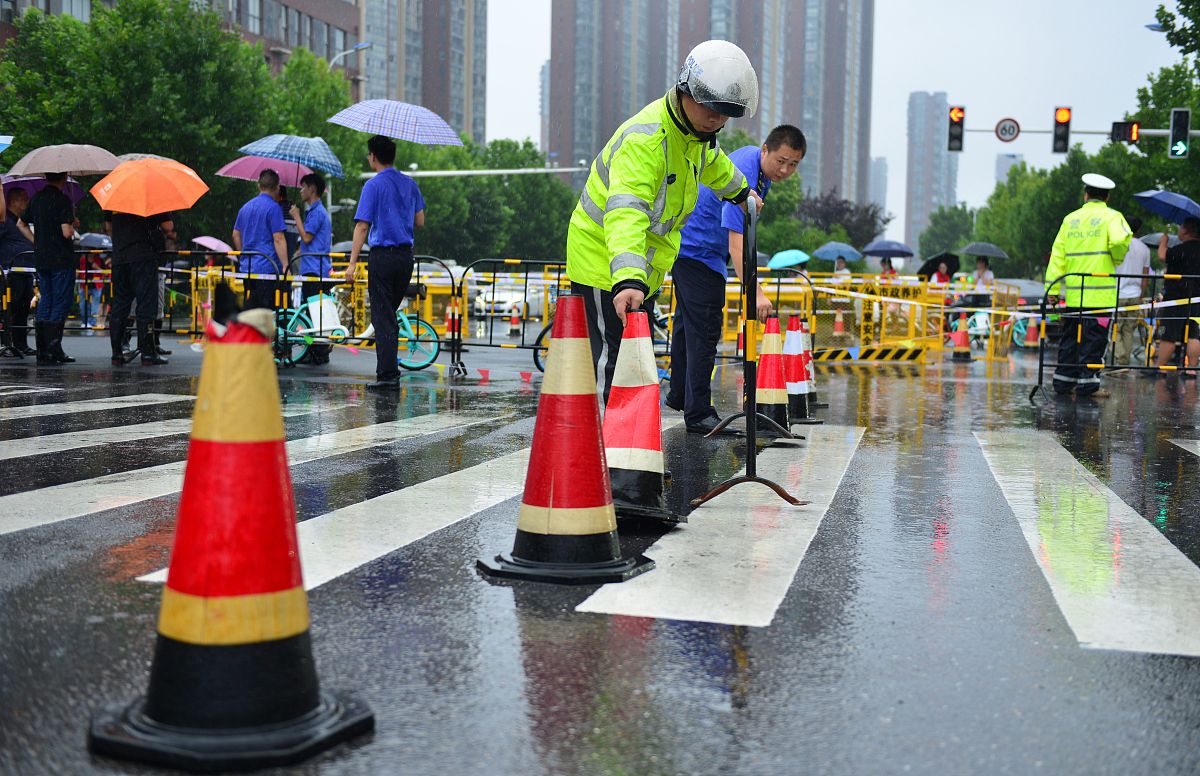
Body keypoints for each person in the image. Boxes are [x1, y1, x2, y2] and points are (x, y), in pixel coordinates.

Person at [566, 39, 759, 401]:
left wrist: (742, 193)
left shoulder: (696, 137)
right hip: (603, 262)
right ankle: (598, 451)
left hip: (640, 272)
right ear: (687, 90)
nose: (718, 119)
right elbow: (626, 212)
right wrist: (626, 278)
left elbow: (715, 165)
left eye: (726, 113)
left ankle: (622, 444)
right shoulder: (648, 141)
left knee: (629, 360)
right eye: (712, 109)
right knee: (608, 363)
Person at [666, 124, 806, 434]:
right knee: (704, 331)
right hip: (697, 252)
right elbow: (738, 242)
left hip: (696, 252)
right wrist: (754, 292)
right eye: (781, 160)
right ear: (765, 150)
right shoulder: (745, 173)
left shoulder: (759, 174)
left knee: (687, 328)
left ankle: (679, 395)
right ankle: (699, 413)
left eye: (793, 164)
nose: (785, 170)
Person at [344, 135, 426, 391]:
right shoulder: (410, 184)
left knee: (383, 317)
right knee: (388, 315)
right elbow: (420, 221)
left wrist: (352, 263)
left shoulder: (373, 185)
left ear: (373, 157)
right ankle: (388, 371)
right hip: (405, 257)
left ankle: (388, 376)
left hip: (382, 257)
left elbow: (362, 225)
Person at [1045, 173, 1132, 397]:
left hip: (1074, 297)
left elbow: (1057, 257)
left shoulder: (1070, 219)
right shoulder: (1113, 217)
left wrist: (1052, 291)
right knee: (1094, 341)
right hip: (1100, 298)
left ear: (1086, 195)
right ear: (1107, 197)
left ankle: (1063, 381)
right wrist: (1117, 256)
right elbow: (1120, 240)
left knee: (1070, 339)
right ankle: (1088, 384)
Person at [25, 172, 78, 364]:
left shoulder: (36, 199)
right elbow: (66, 233)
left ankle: (42, 350)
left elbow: (21, 223)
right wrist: (72, 225)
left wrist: (37, 242)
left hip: (42, 257)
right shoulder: (63, 200)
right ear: (64, 178)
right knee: (60, 302)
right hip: (61, 259)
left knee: (45, 300)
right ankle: (54, 349)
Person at [108, 211, 173, 366]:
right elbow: (168, 226)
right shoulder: (150, 198)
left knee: (120, 304)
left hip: (119, 257)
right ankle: (148, 353)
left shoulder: (115, 200)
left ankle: (117, 353)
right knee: (146, 304)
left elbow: (108, 227)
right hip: (142, 256)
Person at [291, 172, 334, 365]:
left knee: (313, 313)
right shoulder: (315, 212)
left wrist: (296, 216)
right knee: (312, 313)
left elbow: (307, 237)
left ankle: (317, 352)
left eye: (303, 187)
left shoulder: (316, 213)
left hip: (315, 270)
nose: (301, 191)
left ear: (313, 189)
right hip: (313, 267)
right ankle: (316, 351)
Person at [231, 169, 289, 310]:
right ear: (277, 188)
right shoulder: (274, 208)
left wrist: (243, 254)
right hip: (267, 268)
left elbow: (235, 234)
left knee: (251, 309)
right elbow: (279, 238)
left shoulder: (245, 207)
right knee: (266, 311)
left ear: (259, 185)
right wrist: (286, 265)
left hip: (247, 268)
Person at [1155, 217, 1200, 377]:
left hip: (1176, 297)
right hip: (1197, 297)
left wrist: (1163, 241)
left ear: (1187, 231)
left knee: (1169, 334)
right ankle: (1192, 369)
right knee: (1194, 334)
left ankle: (1160, 367)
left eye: (1181, 227)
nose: (1179, 230)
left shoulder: (1181, 249)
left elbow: (1162, 256)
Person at [0, 188, 36, 358]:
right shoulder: (5, 220)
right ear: (13, 202)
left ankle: (21, 343)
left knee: (23, 308)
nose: (27, 203)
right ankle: (6, 343)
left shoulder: (22, 222)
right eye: (24, 199)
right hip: (10, 272)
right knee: (9, 309)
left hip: (25, 270)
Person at [1111, 217, 1150, 367]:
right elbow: (1145, 275)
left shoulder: (1118, 244)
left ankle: (1120, 358)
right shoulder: (1144, 248)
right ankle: (1124, 362)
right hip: (1135, 294)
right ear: (1139, 229)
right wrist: (1141, 295)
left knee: (1115, 328)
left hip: (1117, 293)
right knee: (1128, 330)